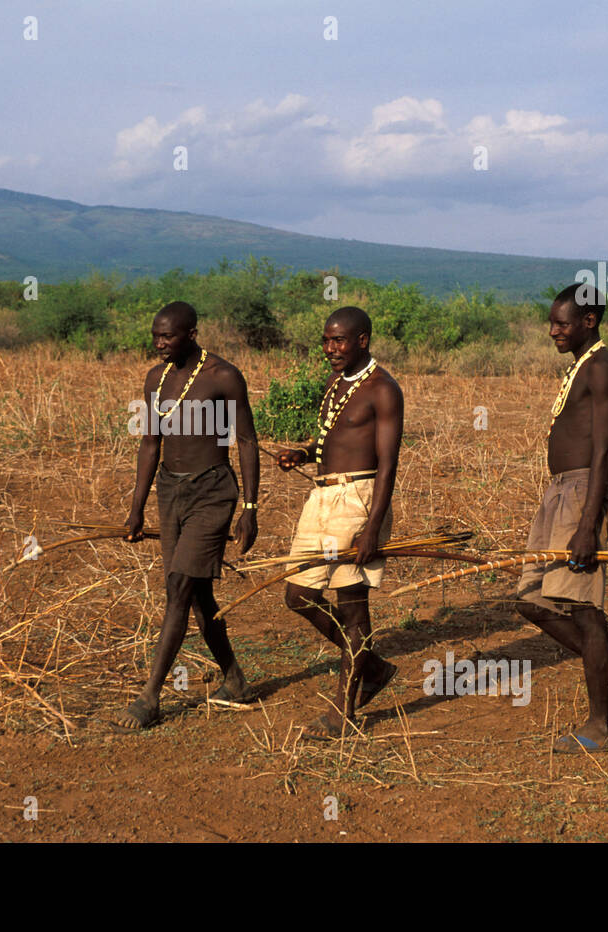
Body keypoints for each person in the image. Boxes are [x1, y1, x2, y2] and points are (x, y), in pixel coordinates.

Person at [515, 281, 608, 752]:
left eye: (562, 323)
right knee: (531, 599)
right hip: (560, 493)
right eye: (552, 321)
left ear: (588, 322)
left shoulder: (602, 368)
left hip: (581, 495)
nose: (552, 330)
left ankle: (599, 726)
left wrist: (588, 524)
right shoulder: (582, 366)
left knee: (584, 610)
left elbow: (603, 450)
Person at [115, 301, 260, 730]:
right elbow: (148, 444)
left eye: (169, 337)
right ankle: (234, 678)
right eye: (156, 336)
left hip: (213, 491)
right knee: (195, 594)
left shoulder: (222, 376)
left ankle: (149, 696)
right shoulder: (156, 379)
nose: (160, 344)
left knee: (179, 586)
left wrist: (250, 509)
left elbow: (247, 442)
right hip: (170, 490)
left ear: (192, 333)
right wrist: (136, 510)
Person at [277, 306, 403, 740]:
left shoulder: (384, 390)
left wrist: (373, 526)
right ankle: (373, 667)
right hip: (322, 495)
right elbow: (332, 437)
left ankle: (342, 713)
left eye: (339, 340)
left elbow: (388, 463)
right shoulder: (335, 383)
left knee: (352, 605)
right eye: (327, 340)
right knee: (298, 595)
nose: (330, 348)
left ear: (362, 340)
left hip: (359, 498)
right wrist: (304, 453)